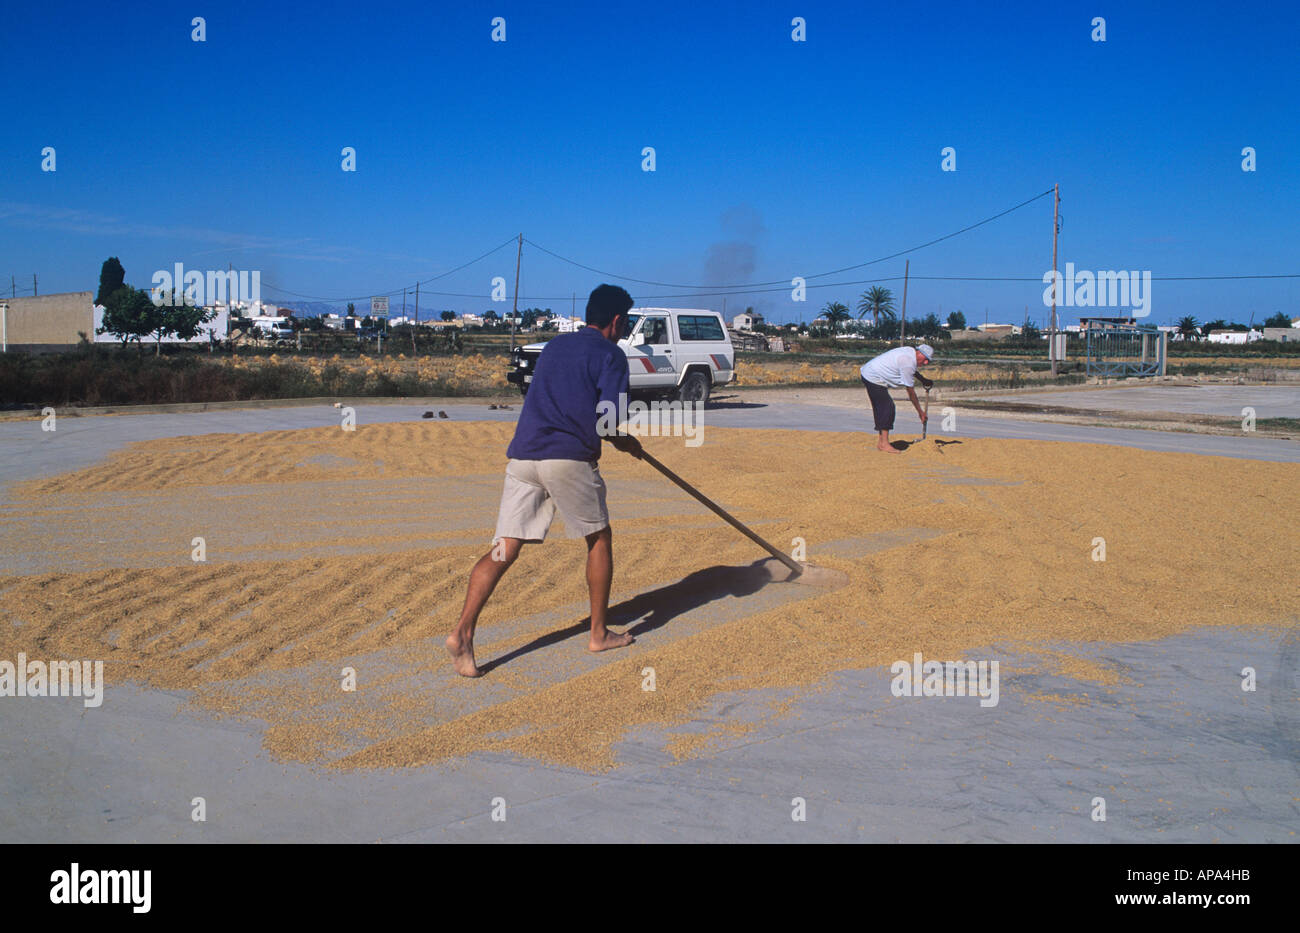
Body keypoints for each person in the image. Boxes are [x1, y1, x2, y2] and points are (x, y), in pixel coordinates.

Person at [446, 284, 644, 677]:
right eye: (627, 322)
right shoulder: (611, 355)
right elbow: (606, 422)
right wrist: (626, 441)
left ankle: (463, 631)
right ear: (617, 320)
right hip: (567, 458)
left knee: (505, 547)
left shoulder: (554, 346)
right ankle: (599, 634)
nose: (625, 329)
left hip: (524, 455)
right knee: (598, 538)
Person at [859, 344, 934, 453]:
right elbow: (910, 392)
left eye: (928, 361)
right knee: (887, 408)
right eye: (926, 359)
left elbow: (912, 370)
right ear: (919, 353)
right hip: (873, 377)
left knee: (881, 408)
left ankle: (881, 442)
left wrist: (923, 380)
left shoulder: (910, 352)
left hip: (869, 372)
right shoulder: (908, 362)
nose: (926, 363)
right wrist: (920, 412)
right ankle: (884, 444)